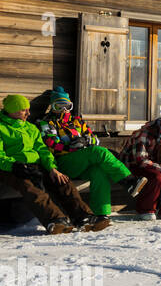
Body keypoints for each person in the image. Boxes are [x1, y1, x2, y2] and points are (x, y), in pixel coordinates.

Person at [0, 94, 106, 233]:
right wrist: (15, 166)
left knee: (62, 181)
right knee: (30, 187)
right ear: (12, 110)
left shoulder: (30, 128)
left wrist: (52, 168)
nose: (28, 113)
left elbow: (43, 150)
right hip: (10, 168)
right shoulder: (2, 128)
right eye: (23, 110)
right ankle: (54, 220)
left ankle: (83, 216)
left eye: (28, 109)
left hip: (35, 165)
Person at [37, 86, 144, 219]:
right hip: (63, 162)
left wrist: (86, 140)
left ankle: (101, 213)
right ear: (52, 107)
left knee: (98, 172)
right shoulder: (47, 123)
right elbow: (52, 144)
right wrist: (72, 145)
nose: (64, 110)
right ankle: (128, 181)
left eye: (67, 106)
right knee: (99, 152)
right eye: (59, 107)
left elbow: (95, 139)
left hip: (83, 160)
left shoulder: (77, 121)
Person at [117, 113, 161, 219]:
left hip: (153, 164)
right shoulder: (143, 135)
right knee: (156, 177)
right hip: (132, 165)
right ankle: (146, 209)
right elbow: (141, 161)